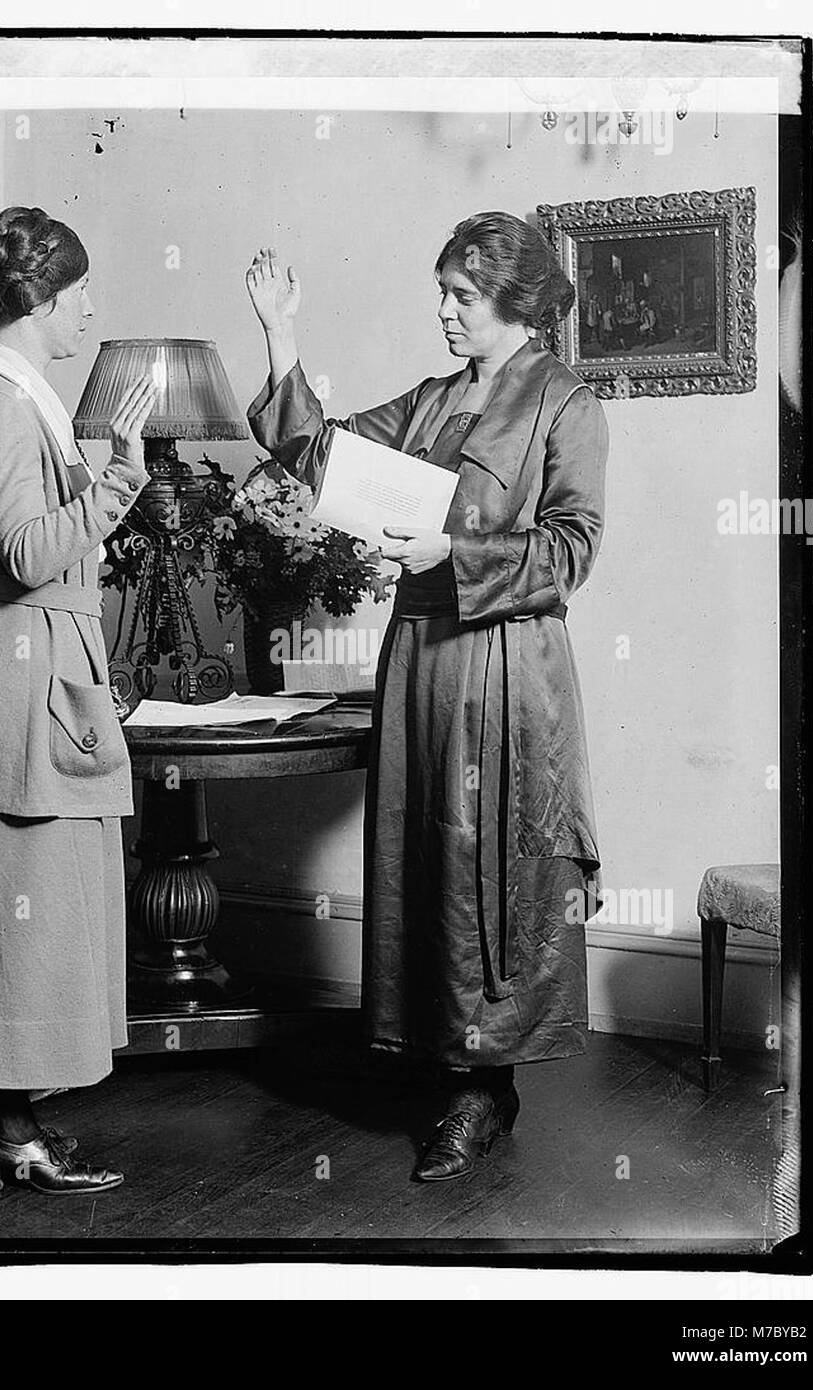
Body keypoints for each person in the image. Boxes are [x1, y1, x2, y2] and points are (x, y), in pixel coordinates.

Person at [245, 211, 608, 1183]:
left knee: (491, 858)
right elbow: (321, 456)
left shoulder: (565, 402)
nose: (444, 311)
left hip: (503, 665)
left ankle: (484, 1088)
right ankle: (442, 1059)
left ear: (516, 301)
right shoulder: (435, 400)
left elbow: (572, 548)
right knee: (423, 853)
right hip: (421, 657)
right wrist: (282, 336)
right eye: (442, 292)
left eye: (463, 295)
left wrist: (459, 552)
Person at [0, 206, 158, 1194]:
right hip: (23, 683)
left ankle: (1, 1121)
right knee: (20, 910)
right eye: (80, 295)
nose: (90, 311)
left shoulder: (17, 397)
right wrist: (119, 482)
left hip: (38, 674)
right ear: (39, 299)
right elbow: (28, 551)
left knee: (35, 907)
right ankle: (3, 1127)